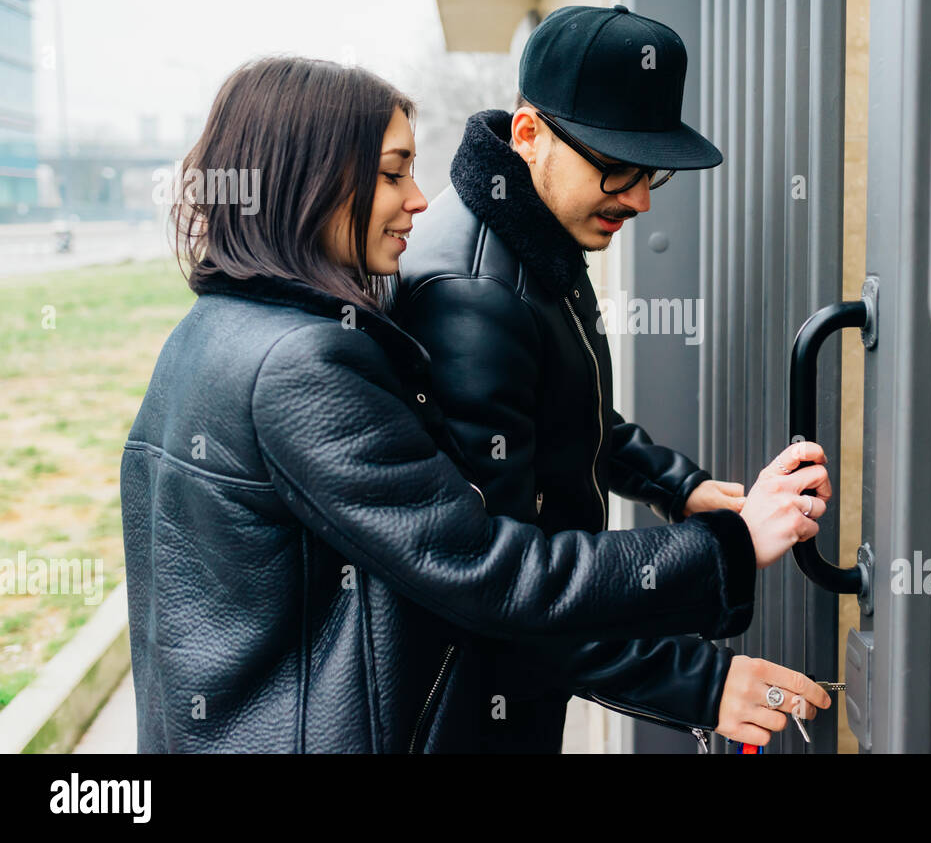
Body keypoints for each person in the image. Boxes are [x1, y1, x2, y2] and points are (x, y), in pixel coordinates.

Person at [119, 55, 831, 753]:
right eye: (393, 172)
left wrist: (676, 486)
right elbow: (486, 568)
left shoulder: (213, 329)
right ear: (307, 179)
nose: (418, 199)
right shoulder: (307, 361)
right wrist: (727, 552)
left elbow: (562, 429)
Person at [393, 5, 828, 752]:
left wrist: (675, 483)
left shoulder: (531, 229)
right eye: (617, 169)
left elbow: (568, 403)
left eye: (651, 170)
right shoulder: (472, 301)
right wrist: (704, 681)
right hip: (468, 707)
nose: (640, 199)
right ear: (528, 136)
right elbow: (505, 587)